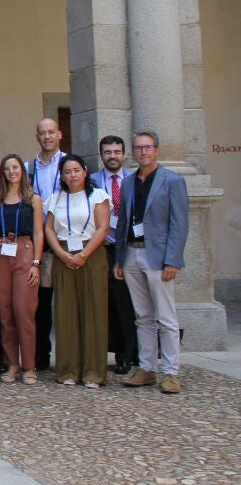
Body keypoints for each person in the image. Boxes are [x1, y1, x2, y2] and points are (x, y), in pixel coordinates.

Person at [116, 131, 189, 395]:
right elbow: (123, 221)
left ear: (156, 150)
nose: (143, 152)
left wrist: (173, 260)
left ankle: (171, 373)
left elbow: (179, 224)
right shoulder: (128, 182)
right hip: (132, 253)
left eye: (147, 147)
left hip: (158, 256)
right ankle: (146, 368)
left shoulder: (172, 181)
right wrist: (119, 259)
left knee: (166, 317)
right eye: (138, 148)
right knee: (142, 316)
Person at [44, 154, 110, 387]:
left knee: (94, 312)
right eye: (67, 172)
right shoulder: (55, 199)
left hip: (90, 255)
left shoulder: (98, 196)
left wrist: (83, 255)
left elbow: (102, 228)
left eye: (76, 170)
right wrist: (61, 254)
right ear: (61, 176)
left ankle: (93, 372)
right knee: (66, 313)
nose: (72, 175)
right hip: (63, 255)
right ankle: (68, 370)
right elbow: (49, 229)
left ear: (85, 172)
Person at [0, 154, 43, 384]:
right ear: (2, 172)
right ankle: (12, 364)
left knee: (24, 311)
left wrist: (36, 263)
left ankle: (30, 366)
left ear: (22, 170)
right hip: (0, 252)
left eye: (16, 167)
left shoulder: (33, 199)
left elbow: (39, 232)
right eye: (7, 168)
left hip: (25, 250)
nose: (12, 171)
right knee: (5, 312)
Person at [93, 135, 137, 374]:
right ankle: (117, 352)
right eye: (108, 152)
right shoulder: (91, 181)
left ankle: (132, 354)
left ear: (124, 154)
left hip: (130, 248)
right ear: (101, 155)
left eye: (116, 152)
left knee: (131, 303)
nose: (112, 156)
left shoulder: (133, 180)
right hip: (103, 249)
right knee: (110, 304)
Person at [29, 118, 67, 373]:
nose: (47, 137)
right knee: (40, 305)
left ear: (59, 134)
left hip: (66, 241)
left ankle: (68, 357)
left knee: (66, 304)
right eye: (42, 133)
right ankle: (41, 355)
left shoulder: (70, 164)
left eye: (51, 132)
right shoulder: (29, 168)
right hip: (40, 243)